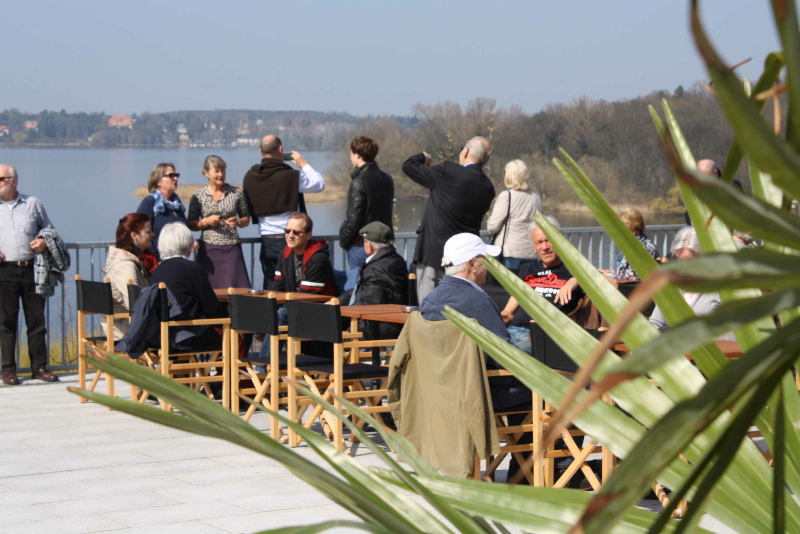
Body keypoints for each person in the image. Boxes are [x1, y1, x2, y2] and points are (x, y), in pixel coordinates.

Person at [402, 136, 496, 302]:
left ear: (465, 151)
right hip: (463, 261)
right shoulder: (488, 188)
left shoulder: (448, 172)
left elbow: (409, 166)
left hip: (433, 255)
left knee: (430, 311)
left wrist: (423, 157)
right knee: (457, 313)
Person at [0, 164, 58, 384]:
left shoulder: (33, 204)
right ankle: (8, 370)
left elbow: (49, 229)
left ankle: (39, 367)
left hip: (33, 269)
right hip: (4, 271)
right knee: (6, 322)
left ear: (14, 180)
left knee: (37, 321)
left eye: (2, 179)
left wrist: (44, 240)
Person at [243, 135, 325, 289]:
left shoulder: (250, 176)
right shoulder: (290, 176)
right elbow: (319, 184)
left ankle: (270, 313)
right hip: (291, 239)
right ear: (280, 150)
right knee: (292, 286)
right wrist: (304, 165)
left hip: (266, 241)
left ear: (260, 151)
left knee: (271, 285)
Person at [500, 217, 585, 355]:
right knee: (479, 351)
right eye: (539, 242)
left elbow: (605, 279)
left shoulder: (575, 270)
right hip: (513, 331)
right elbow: (508, 312)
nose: (544, 247)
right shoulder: (527, 271)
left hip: (543, 336)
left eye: (548, 240)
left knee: (508, 355)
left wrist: (574, 280)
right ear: (533, 247)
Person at [258, 212, 336, 361]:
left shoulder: (318, 257)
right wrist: (264, 315)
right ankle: (260, 369)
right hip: (296, 308)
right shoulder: (285, 253)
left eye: (296, 232)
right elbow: (277, 289)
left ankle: (263, 369)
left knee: (281, 314)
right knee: (260, 312)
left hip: (320, 312)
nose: (290, 235)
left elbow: (306, 296)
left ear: (308, 235)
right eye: (287, 231)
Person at [150, 223, 227, 350]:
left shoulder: (158, 270)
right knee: (233, 335)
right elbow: (211, 308)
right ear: (187, 242)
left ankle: (200, 370)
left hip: (161, 336)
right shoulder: (192, 268)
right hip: (187, 335)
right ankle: (233, 370)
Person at [649, 226, 734, 340]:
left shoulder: (720, 286)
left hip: (712, 353)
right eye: (679, 260)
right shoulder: (672, 286)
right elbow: (655, 323)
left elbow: (735, 331)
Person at [188, 156, 251, 289]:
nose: (221, 174)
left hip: (232, 248)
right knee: (209, 290)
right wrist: (205, 222)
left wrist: (238, 222)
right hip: (208, 250)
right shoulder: (198, 196)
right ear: (206, 173)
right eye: (216, 171)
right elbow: (191, 224)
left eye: (223, 170)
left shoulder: (236, 193)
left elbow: (247, 219)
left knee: (237, 289)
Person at [339, 221, 408, 339]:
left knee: (326, 328)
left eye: (364, 241)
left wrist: (343, 313)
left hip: (376, 326)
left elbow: (369, 303)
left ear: (369, 245)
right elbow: (362, 289)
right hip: (393, 323)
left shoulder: (375, 269)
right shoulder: (395, 259)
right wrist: (338, 301)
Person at [338, 136, 395, 269]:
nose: (350, 157)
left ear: (357, 155)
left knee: (359, 286)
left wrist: (344, 242)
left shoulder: (359, 182)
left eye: (351, 154)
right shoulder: (387, 179)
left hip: (362, 245)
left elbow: (353, 218)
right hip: (384, 243)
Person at [102, 213, 157, 341]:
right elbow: (137, 305)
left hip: (131, 327)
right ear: (134, 235)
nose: (153, 235)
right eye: (148, 231)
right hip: (126, 332)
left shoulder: (139, 260)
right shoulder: (126, 267)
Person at [487, 159, 543, 270]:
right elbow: (540, 224)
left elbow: (492, 227)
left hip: (509, 253)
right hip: (531, 252)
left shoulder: (506, 196)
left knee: (505, 286)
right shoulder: (536, 197)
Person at [136, 162, 188, 255]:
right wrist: (156, 259)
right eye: (171, 175)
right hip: (157, 262)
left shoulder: (178, 205)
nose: (175, 178)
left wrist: (191, 242)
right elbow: (139, 233)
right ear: (158, 181)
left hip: (179, 260)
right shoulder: (150, 202)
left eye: (176, 175)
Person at [608, 208, 660, 281]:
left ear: (633, 231)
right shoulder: (644, 244)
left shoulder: (640, 249)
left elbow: (632, 279)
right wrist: (611, 273)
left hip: (630, 290)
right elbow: (628, 273)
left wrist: (607, 276)